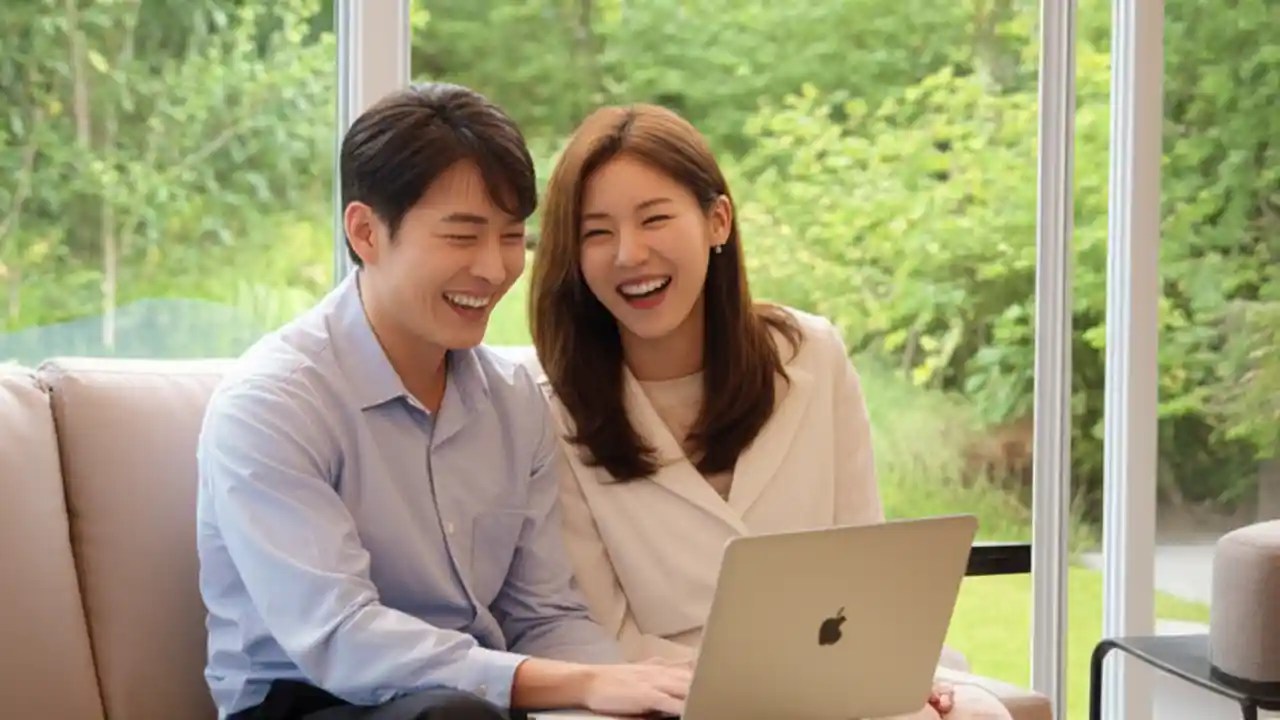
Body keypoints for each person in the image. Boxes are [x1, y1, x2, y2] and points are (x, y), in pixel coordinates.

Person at [195, 84, 691, 720]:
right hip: (308, 702)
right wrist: (577, 684)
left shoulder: (513, 402)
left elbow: (545, 616)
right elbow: (341, 641)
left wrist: (624, 691)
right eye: (462, 236)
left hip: (478, 700)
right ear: (365, 232)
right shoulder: (274, 404)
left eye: (512, 237)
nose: (493, 268)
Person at [527, 103, 1015, 720]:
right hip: (678, 694)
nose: (629, 253)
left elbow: (866, 561)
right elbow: (606, 634)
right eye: (597, 232)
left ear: (717, 221)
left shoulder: (811, 354)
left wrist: (891, 665)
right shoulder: (551, 405)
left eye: (655, 219)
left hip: (837, 670)